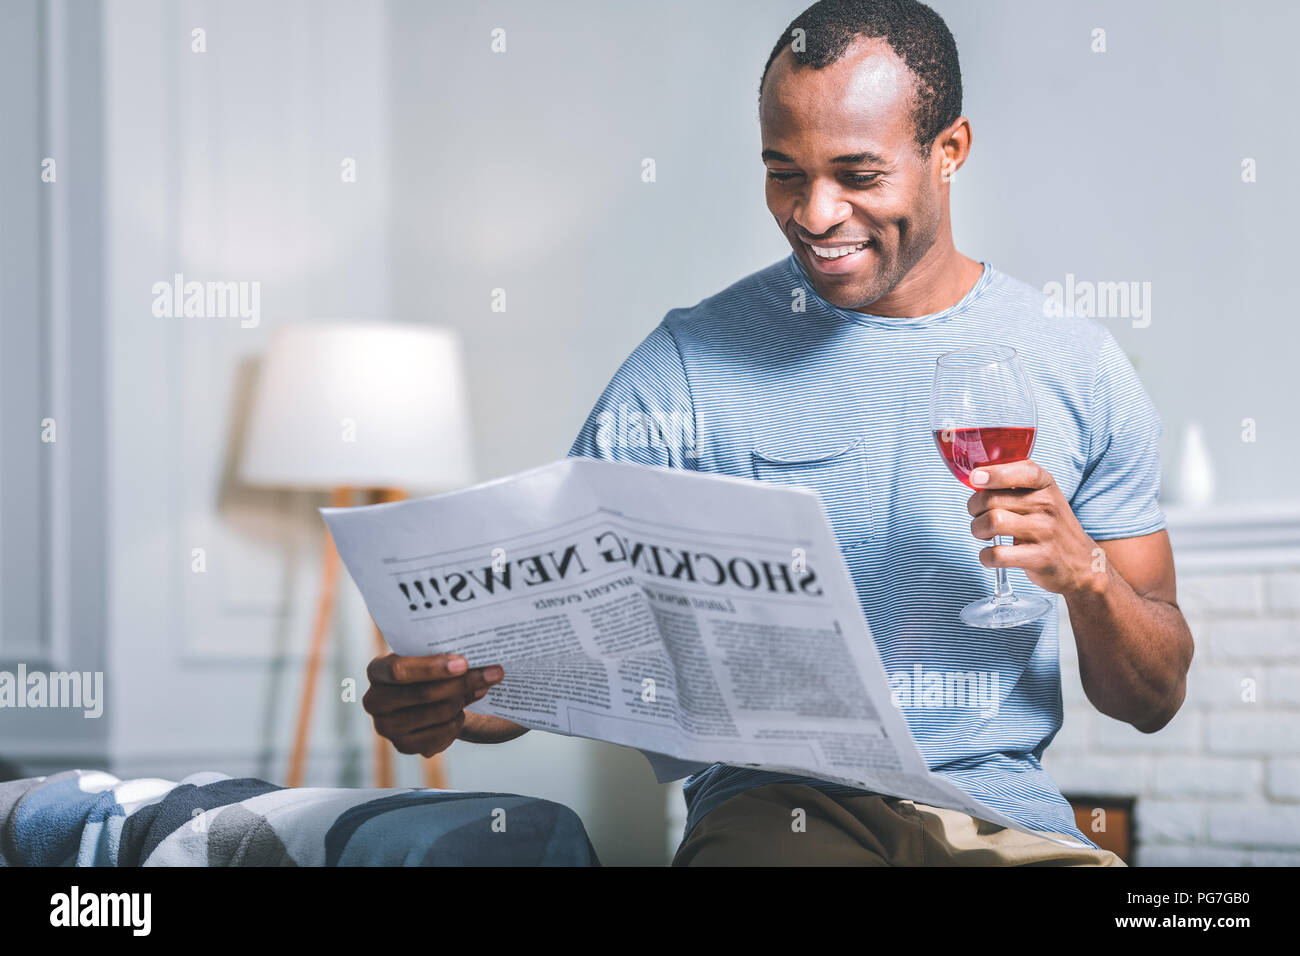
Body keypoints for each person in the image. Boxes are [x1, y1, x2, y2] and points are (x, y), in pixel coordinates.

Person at [362, 0, 1193, 866]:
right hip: (777, 815)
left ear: (949, 151)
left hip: (1006, 820)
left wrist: (1088, 577)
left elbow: (1154, 696)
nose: (815, 213)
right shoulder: (688, 363)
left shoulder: (1079, 364)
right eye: (784, 172)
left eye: (857, 174)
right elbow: (552, 647)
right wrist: (452, 698)